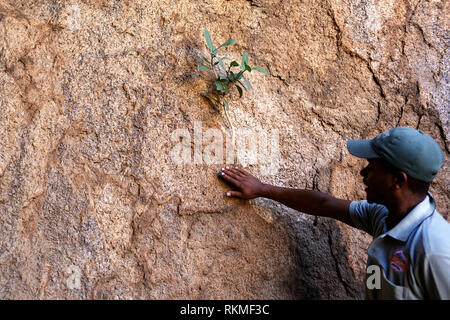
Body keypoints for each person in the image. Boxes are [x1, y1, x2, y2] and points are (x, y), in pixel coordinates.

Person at [217, 126, 450, 299]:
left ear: (397, 180)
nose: (363, 174)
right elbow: (322, 204)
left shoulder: (435, 249)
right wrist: (262, 189)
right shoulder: (384, 216)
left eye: (372, 167)